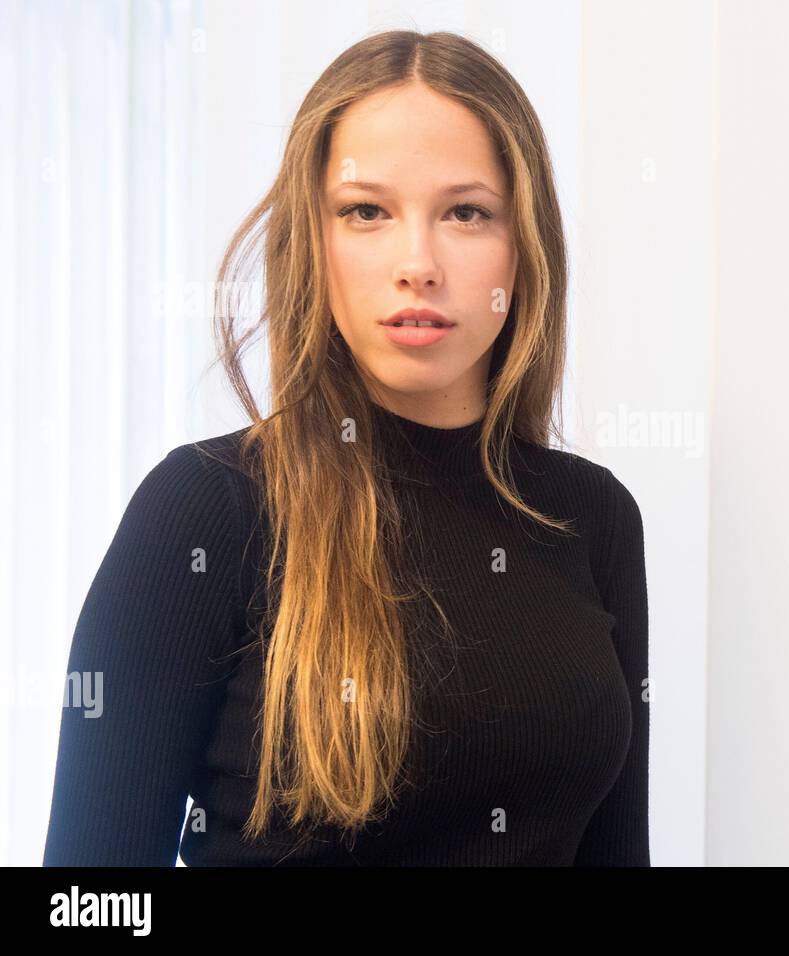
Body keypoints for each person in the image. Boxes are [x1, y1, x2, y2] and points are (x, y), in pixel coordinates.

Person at [42, 30, 650, 866]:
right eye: (366, 212)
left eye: (466, 212)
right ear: (313, 239)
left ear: (524, 245)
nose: (418, 263)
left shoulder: (593, 515)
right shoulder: (206, 507)